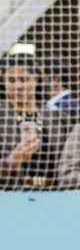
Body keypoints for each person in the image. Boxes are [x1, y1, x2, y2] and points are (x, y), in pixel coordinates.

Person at [2, 55, 61, 189]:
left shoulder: (55, 116)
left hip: (54, 195)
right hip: (11, 195)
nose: (18, 86)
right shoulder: (3, 117)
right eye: (11, 80)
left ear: (36, 79)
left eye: (24, 79)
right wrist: (11, 161)